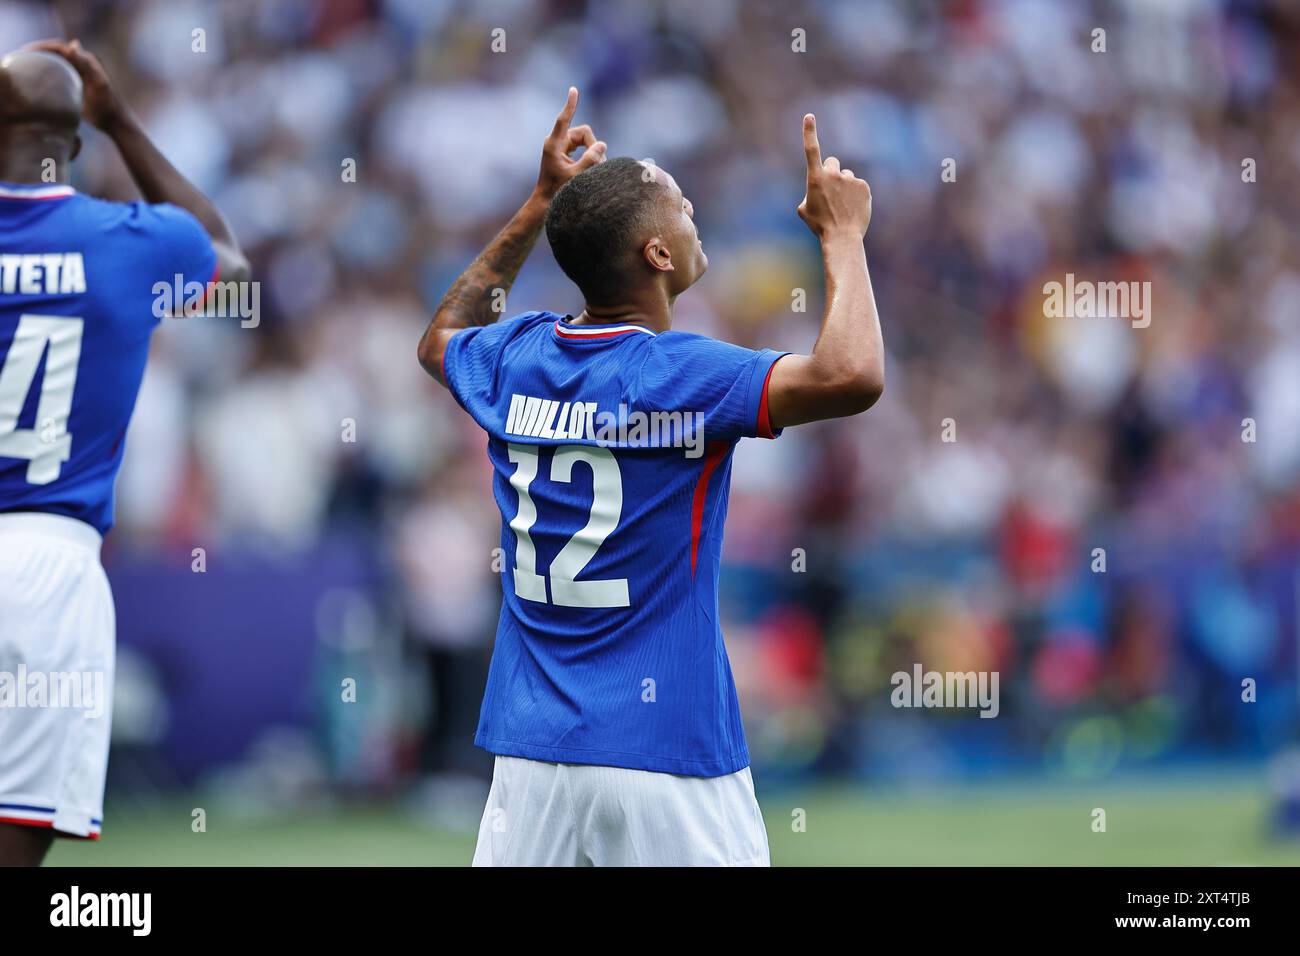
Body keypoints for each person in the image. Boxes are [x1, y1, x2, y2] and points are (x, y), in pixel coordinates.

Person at [417, 88, 881, 866]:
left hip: (530, 760)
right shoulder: (682, 372)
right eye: (683, 209)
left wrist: (537, 204)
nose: (694, 212)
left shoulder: (518, 357)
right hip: (665, 751)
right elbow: (853, 375)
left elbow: (443, 338)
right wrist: (844, 236)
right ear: (658, 257)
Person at [0, 41, 249, 866]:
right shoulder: (132, 242)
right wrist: (123, 121)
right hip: (49, 561)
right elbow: (232, 263)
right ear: (73, 144)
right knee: (17, 829)